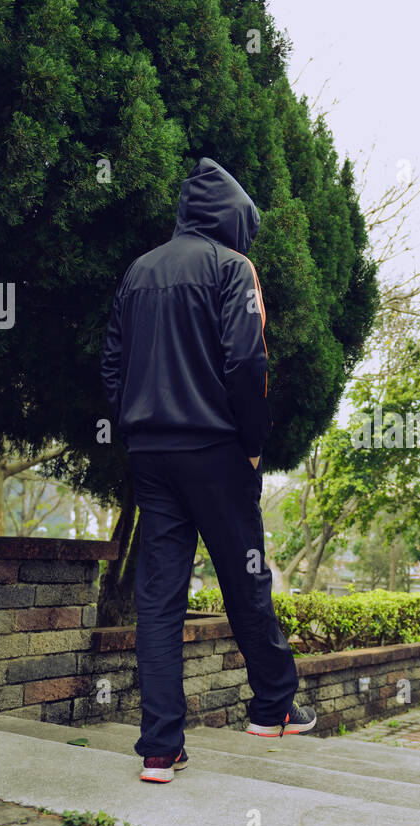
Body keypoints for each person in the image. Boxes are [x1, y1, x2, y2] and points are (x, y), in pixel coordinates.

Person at [101, 157, 316, 784]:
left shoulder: (138, 271)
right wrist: (252, 443)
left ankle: (160, 749)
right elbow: (246, 362)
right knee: (245, 579)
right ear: (234, 218)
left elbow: (112, 363)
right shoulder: (232, 267)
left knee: (159, 597)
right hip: (217, 451)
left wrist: (137, 425)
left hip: (151, 456)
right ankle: (273, 708)